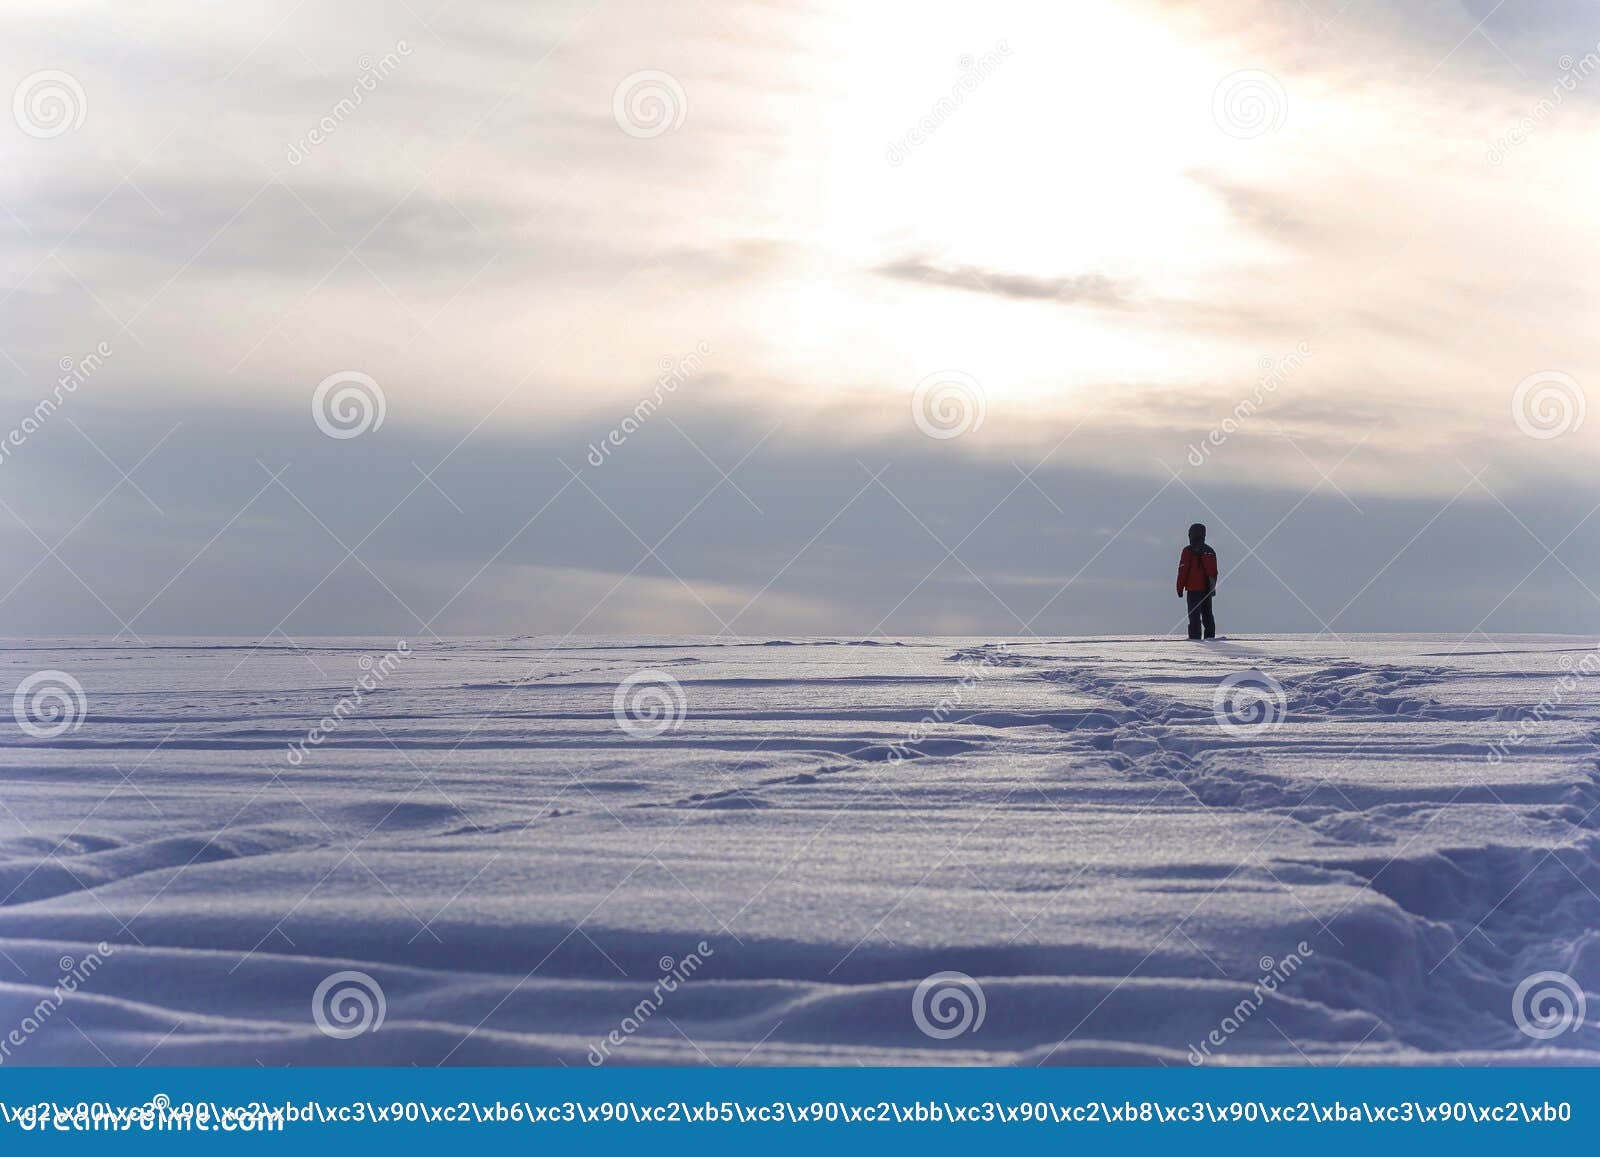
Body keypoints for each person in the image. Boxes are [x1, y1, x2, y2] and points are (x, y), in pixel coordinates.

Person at [1176, 522, 1218, 640]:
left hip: (1193, 590)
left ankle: (1195, 639)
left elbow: (1183, 570)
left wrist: (1179, 588)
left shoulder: (1188, 551)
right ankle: (1210, 638)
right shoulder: (1210, 551)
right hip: (1207, 589)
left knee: (1194, 616)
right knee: (1207, 615)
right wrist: (1212, 588)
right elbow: (1214, 572)